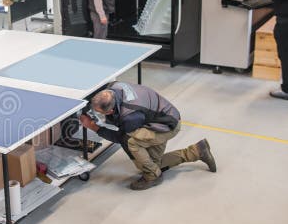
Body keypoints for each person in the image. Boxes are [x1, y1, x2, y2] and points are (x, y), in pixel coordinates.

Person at [79, 81, 217, 190]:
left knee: (131, 142)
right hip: (163, 115)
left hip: (166, 127)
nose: (96, 114)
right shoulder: (114, 86)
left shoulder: (129, 116)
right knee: (153, 163)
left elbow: (120, 138)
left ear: (110, 111)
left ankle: (152, 177)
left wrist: (93, 126)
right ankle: (198, 151)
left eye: (99, 112)